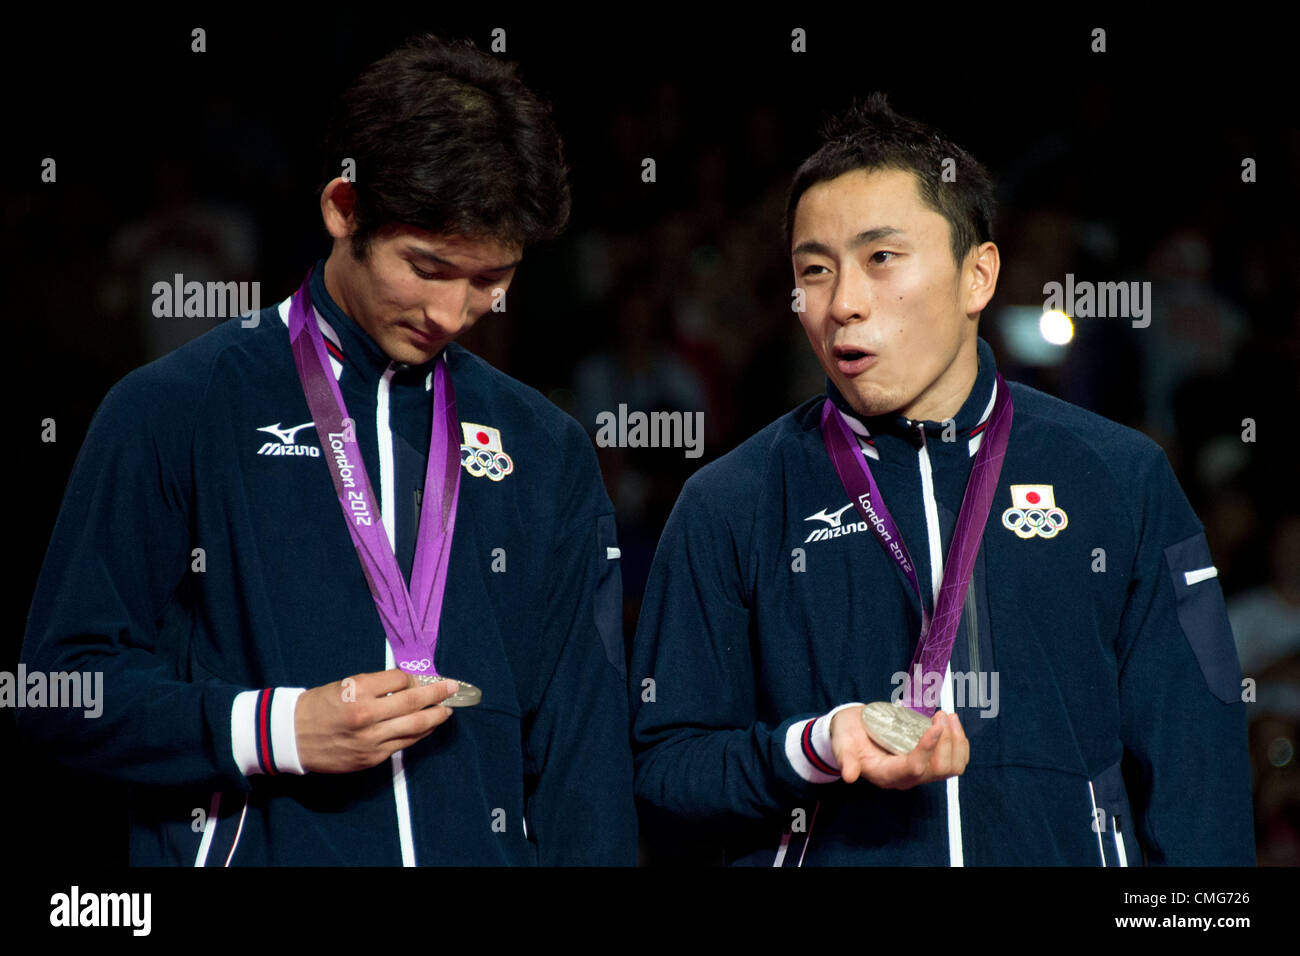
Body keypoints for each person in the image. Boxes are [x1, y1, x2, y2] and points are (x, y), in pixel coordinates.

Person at [20, 34, 636, 866]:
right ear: (344, 209)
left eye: (490, 279)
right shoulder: (176, 408)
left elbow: (582, 754)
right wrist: (274, 729)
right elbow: (60, 690)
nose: (455, 313)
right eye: (428, 266)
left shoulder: (544, 446)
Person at [629, 94, 1254, 865]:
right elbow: (662, 773)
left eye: (881, 258)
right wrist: (812, 748)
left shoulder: (1117, 476)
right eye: (813, 271)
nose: (843, 303)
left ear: (977, 276)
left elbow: (1199, 776)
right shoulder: (732, 500)